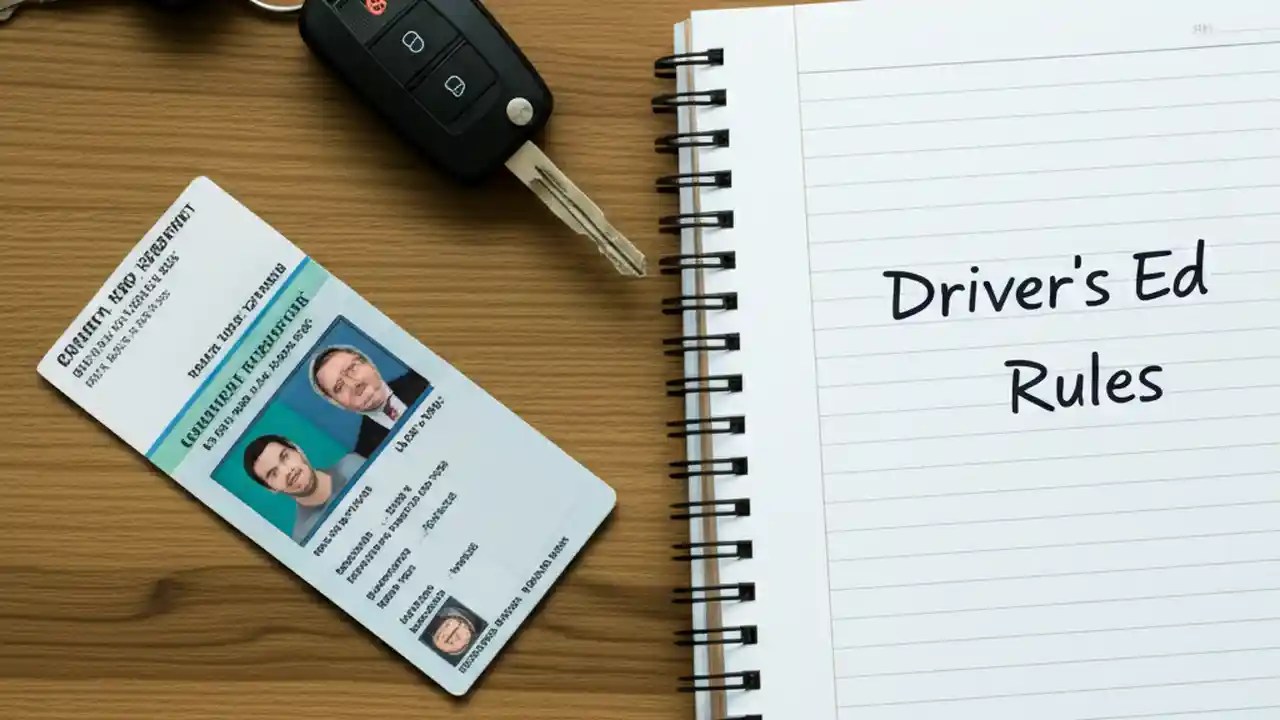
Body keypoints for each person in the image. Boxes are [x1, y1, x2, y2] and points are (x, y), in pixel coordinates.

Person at [308, 345, 430, 457]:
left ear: (369, 364)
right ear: (337, 403)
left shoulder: (426, 375)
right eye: (339, 387)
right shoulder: (367, 453)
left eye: (352, 368)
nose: (354, 384)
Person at [242, 434, 364, 544]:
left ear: (297, 449)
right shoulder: (304, 536)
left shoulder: (354, 465)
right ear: (271, 489)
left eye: (285, 457)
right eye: (274, 473)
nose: (288, 471)